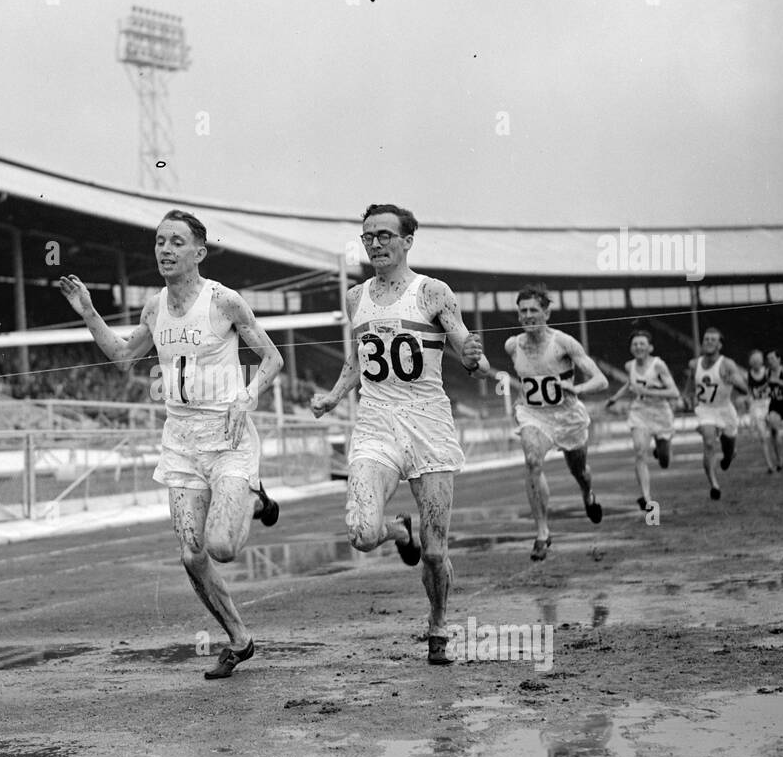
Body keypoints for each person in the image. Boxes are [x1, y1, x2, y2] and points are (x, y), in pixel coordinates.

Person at [58, 209, 283, 681]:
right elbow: (122, 356)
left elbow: (271, 358)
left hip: (227, 436)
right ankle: (239, 639)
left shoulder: (224, 302)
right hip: (180, 441)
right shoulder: (153, 307)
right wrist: (89, 313)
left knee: (221, 547)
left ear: (198, 252)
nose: (165, 249)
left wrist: (248, 393)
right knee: (190, 554)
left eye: (176, 242)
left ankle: (253, 496)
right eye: (160, 241)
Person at [309, 204, 490, 666]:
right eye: (368, 235)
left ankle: (438, 625)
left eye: (385, 235)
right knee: (362, 533)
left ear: (408, 240)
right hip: (376, 423)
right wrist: (333, 398)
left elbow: (471, 356)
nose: (375, 243)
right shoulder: (355, 297)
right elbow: (356, 361)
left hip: (428, 423)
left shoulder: (432, 293)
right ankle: (397, 531)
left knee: (434, 552)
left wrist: (472, 357)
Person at [504, 283, 608, 561]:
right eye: (522, 311)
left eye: (533, 310)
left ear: (546, 313)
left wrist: (580, 389)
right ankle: (542, 532)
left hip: (567, 416)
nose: (527, 315)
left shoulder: (563, 343)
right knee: (532, 460)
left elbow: (601, 379)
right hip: (534, 415)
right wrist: (520, 399)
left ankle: (588, 496)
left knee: (580, 472)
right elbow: (528, 380)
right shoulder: (513, 346)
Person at [604, 328, 678, 513]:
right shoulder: (630, 366)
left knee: (664, 461)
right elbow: (631, 384)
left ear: (650, 347)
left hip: (661, 413)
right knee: (639, 452)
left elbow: (674, 392)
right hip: (640, 412)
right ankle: (646, 497)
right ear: (631, 348)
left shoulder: (659, 366)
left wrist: (647, 392)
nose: (638, 347)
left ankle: (661, 450)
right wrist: (615, 397)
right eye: (635, 344)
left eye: (642, 344)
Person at [681, 328, 747, 498]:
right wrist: (686, 397)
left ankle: (728, 456)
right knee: (709, 442)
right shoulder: (694, 364)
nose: (708, 342)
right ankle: (714, 485)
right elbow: (690, 385)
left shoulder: (727, 364)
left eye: (712, 340)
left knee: (728, 446)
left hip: (725, 409)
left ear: (719, 345)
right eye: (706, 339)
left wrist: (733, 381)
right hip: (706, 410)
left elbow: (744, 388)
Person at [744, 350, 778, 473]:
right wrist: (747, 399)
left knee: (775, 431)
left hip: (769, 403)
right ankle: (769, 465)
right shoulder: (747, 375)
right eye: (753, 362)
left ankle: (779, 458)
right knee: (763, 437)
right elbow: (747, 391)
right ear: (750, 363)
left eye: (758, 361)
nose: (756, 363)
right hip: (756, 406)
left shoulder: (768, 373)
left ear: (762, 361)